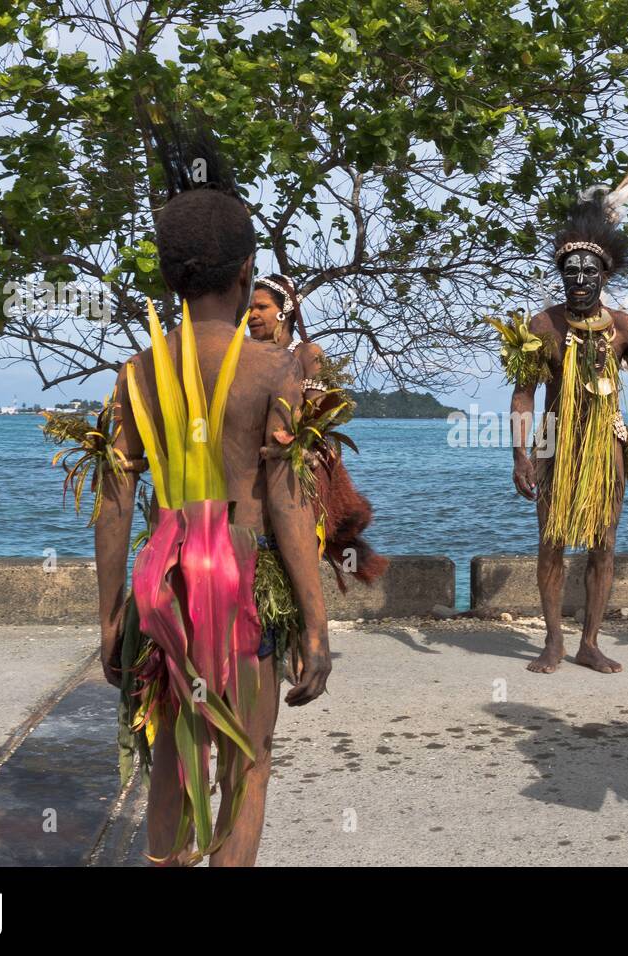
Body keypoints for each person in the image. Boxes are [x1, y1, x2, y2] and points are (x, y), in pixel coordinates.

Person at [94, 119, 329, 866]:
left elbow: (113, 502)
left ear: (169, 279)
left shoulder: (134, 374)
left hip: (161, 588)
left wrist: (108, 619)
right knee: (249, 762)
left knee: (170, 755)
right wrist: (317, 625)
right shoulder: (274, 372)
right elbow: (290, 504)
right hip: (246, 583)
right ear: (244, 273)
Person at [503, 161, 628, 674]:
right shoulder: (544, 325)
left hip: (607, 445)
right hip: (554, 444)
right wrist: (521, 453)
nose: (579, 279)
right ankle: (553, 642)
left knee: (604, 542)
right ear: (560, 275)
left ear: (604, 276)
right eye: (570, 271)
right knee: (551, 540)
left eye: (589, 272)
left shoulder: (627, 328)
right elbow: (523, 395)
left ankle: (589, 641)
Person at [247, 273, 388, 604]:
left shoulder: (307, 353)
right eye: (249, 307)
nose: (252, 314)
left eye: (262, 307)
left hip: (301, 467)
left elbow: (319, 410)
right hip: (254, 469)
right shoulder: (246, 356)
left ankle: (302, 640)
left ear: (285, 312)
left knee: (299, 553)